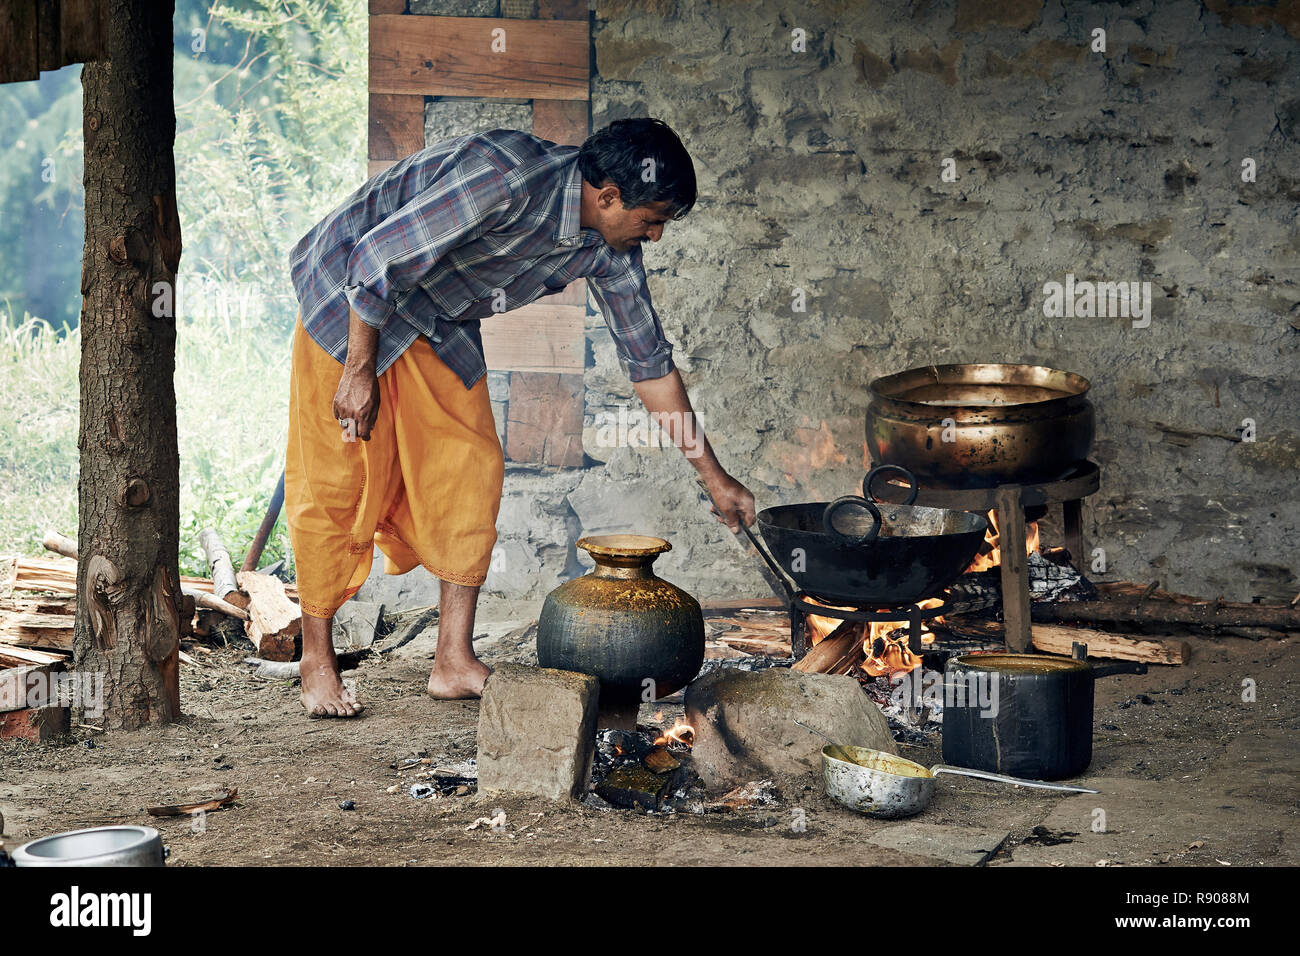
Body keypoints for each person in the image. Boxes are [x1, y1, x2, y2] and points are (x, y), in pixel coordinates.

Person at [285, 117, 756, 717]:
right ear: (607, 195)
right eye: (652, 219)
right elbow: (376, 257)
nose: (656, 236)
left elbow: (649, 364)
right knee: (338, 479)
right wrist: (358, 372)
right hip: (347, 300)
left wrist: (716, 480)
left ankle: (452, 661)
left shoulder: (610, 250)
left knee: (472, 468)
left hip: (435, 317)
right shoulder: (504, 177)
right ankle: (317, 661)